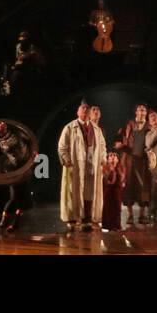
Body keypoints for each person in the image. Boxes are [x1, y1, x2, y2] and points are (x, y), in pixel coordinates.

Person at [58, 99, 106, 233]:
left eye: (87, 109)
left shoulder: (96, 129)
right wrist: (67, 160)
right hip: (76, 164)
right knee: (74, 191)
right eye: (82, 108)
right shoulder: (70, 127)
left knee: (89, 192)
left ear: (90, 113)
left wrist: (103, 159)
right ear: (77, 112)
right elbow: (62, 146)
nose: (85, 111)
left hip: (92, 164)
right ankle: (73, 219)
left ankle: (87, 219)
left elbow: (102, 145)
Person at [115, 103, 152, 227]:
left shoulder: (149, 127)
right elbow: (119, 139)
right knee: (129, 187)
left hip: (144, 162)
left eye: (144, 110)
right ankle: (130, 215)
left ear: (146, 113)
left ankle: (142, 214)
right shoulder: (129, 125)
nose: (141, 112)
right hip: (129, 161)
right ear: (135, 112)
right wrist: (120, 145)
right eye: (139, 110)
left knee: (144, 187)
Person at [101, 152, 125, 232]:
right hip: (108, 191)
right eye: (111, 156)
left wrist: (115, 170)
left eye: (115, 156)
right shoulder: (105, 168)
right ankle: (107, 225)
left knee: (117, 208)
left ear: (118, 159)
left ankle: (116, 225)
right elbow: (107, 180)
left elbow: (122, 179)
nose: (113, 157)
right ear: (107, 159)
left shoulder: (120, 168)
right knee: (108, 207)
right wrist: (111, 171)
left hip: (117, 191)